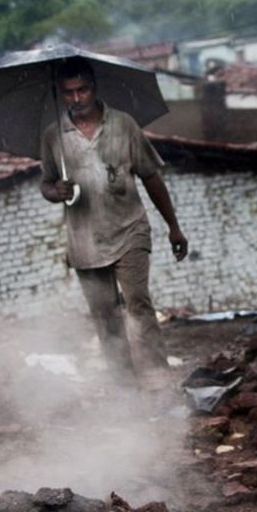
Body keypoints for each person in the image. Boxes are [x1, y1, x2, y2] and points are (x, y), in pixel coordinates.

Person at [39, 57, 188, 388]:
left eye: (83, 89)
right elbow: (46, 183)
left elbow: (151, 177)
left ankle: (157, 379)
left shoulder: (124, 125)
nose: (77, 98)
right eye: (69, 93)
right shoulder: (54, 137)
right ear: (61, 95)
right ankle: (124, 387)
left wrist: (173, 227)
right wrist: (56, 191)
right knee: (105, 316)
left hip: (129, 229)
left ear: (94, 87)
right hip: (84, 240)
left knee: (138, 304)